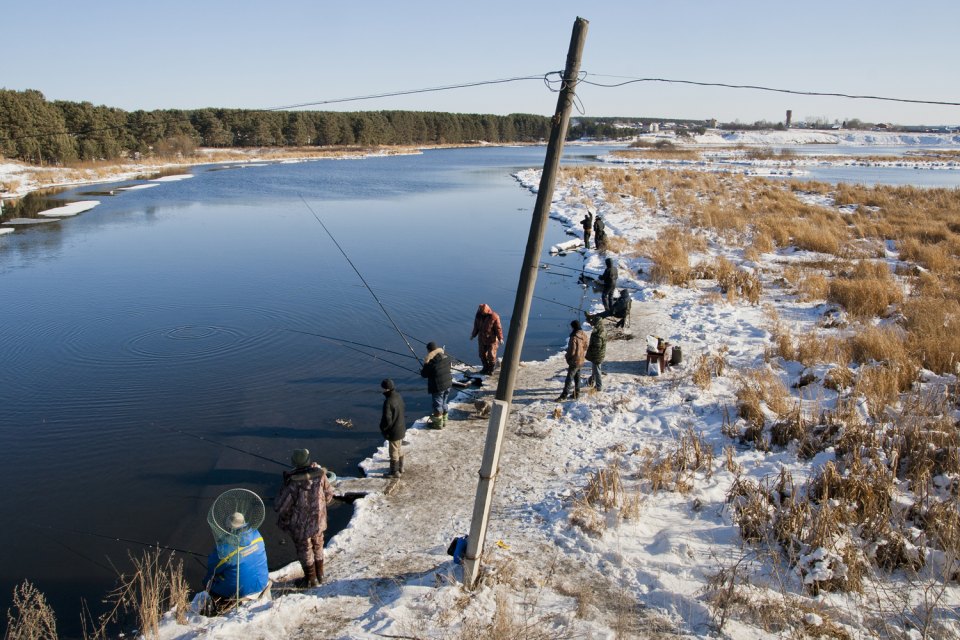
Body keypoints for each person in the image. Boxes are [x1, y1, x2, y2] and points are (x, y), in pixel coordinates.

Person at [275, 448, 335, 588]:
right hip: (319, 522)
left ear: (295, 464)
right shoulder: (320, 476)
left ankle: (310, 579)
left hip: (300, 525)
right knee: (318, 545)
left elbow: (280, 506)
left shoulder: (293, 483)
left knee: (305, 550)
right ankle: (320, 575)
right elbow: (329, 494)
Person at [202, 511, 269, 610]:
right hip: (262, 581)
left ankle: (219, 607)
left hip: (243, 591)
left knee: (207, 582)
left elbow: (212, 568)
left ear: (230, 528)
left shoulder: (225, 549)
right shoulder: (256, 534)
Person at [420, 341, 453, 429]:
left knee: (437, 405)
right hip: (448, 384)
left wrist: (424, 366)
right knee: (444, 402)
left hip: (438, 386)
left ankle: (438, 424)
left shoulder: (431, 362)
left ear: (429, 350)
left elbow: (424, 374)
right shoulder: (446, 356)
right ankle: (444, 420)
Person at [379, 378, 406, 475]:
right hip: (401, 428)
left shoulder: (388, 401)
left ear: (386, 389)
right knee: (399, 448)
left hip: (394, 431)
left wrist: (383, 429)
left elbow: (387, 419)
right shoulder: (398, 396)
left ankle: (394, 472)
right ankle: (401, 467)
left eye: (383, 388)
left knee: (393, 451)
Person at [556, 320, 588, 401]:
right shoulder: (583, 334)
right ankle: (576, 394)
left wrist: (567, 357)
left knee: (569, 378)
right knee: (577, 377)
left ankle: (564, 395)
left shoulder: (574, 337)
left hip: (575, 360)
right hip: (581, 359)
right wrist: (581, 352)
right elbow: (586, 346)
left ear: (573, 327)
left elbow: (572, 350)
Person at [470, 303, 503, 375]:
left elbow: (498, 328)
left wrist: (500, 338)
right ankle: (485, 368)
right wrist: (473, 335)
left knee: (491, 355)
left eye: (483, 312)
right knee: (481, 354)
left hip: (492, 339)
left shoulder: (494, 316)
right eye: (481, 312)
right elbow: (476, 327)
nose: (482, 313)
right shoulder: (478, 316)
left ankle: (491, 369)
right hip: (481, 338)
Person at [585, 317, 606, 391]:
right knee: (594, 369)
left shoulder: (598, 333)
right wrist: (589, 319)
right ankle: (591, 381)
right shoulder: (602, 328)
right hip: (600, 354)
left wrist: (590, 349)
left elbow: (597, 346)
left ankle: (599, 386)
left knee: (597, 371)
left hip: (597, 355)